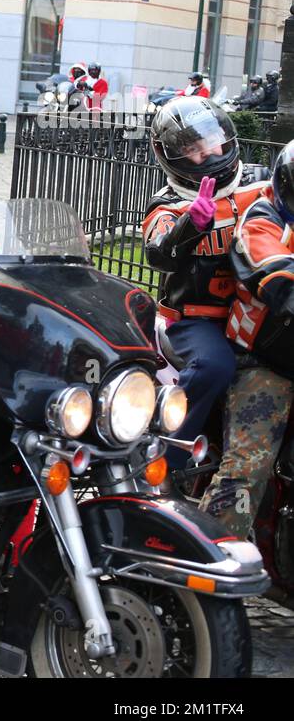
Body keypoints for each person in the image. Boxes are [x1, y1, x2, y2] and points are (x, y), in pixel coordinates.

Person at [142, 97, 268, 460]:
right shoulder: (168, 203)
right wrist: (191, 225)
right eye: (195, 150)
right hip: (196, 319)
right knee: (215, 365)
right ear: (174, 158)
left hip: (260, 310)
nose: (209, 155)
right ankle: (168, 457)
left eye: (212, 142)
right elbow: (159, 253)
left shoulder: (261, 181)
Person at [211, 140, 294, 537]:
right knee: (247, 468)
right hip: (266, 361)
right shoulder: (263, 218)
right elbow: (274, 274)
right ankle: (207, 568)